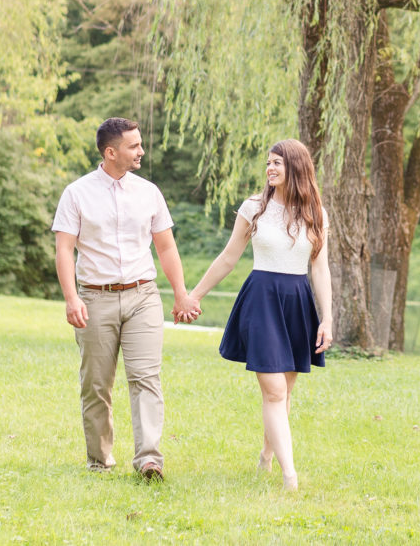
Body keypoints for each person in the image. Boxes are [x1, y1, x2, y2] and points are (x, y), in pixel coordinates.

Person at [184, 138, 334, 491]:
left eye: (277, 163)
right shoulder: (253, 208)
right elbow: (228, 257)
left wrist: (327, 318)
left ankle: (267, 457)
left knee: (285, 390)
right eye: (268, 163)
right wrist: (193, 295)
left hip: (297, 301)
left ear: (296, 167)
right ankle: (290, 477)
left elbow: (321, 269)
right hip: (262, 300)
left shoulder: (316, 213)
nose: (269, 168)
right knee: (274, 391)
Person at [52, 117, 195, 481]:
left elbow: (165, 246)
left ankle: (149, 460)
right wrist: (72, 299)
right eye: (134, 146)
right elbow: (65, 250)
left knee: (146, 377)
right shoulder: (77, 193)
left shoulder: (149, 192)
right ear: (110, 151)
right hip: (95, 298)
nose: (141, 151)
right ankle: (99, 460)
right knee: (97, 384)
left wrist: (180, 294)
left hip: (143, 296)